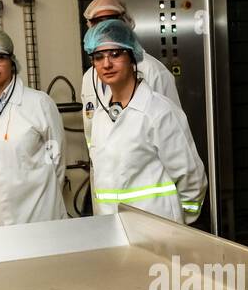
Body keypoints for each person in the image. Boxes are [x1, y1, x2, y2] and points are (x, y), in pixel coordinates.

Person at [83, 18, 206, 224]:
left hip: (159, 228)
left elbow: (191, 176)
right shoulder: (101, 116)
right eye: (98, 57)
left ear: (132, 57)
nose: (106, 64)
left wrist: (181, 220)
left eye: (115, 54)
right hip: (113, 228)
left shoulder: (158, 111)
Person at [0, 29, 68, 227]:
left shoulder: (39, 103)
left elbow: (58, 161)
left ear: (12, 61)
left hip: (39, 216)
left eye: (0, 57)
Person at [79, 0, 182, 149]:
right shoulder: (90, 78)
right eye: (98, 23)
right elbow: (92, 136)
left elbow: (174, 135)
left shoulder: (153, 71)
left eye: (112, 21)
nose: (105, 28)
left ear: (126, 23)